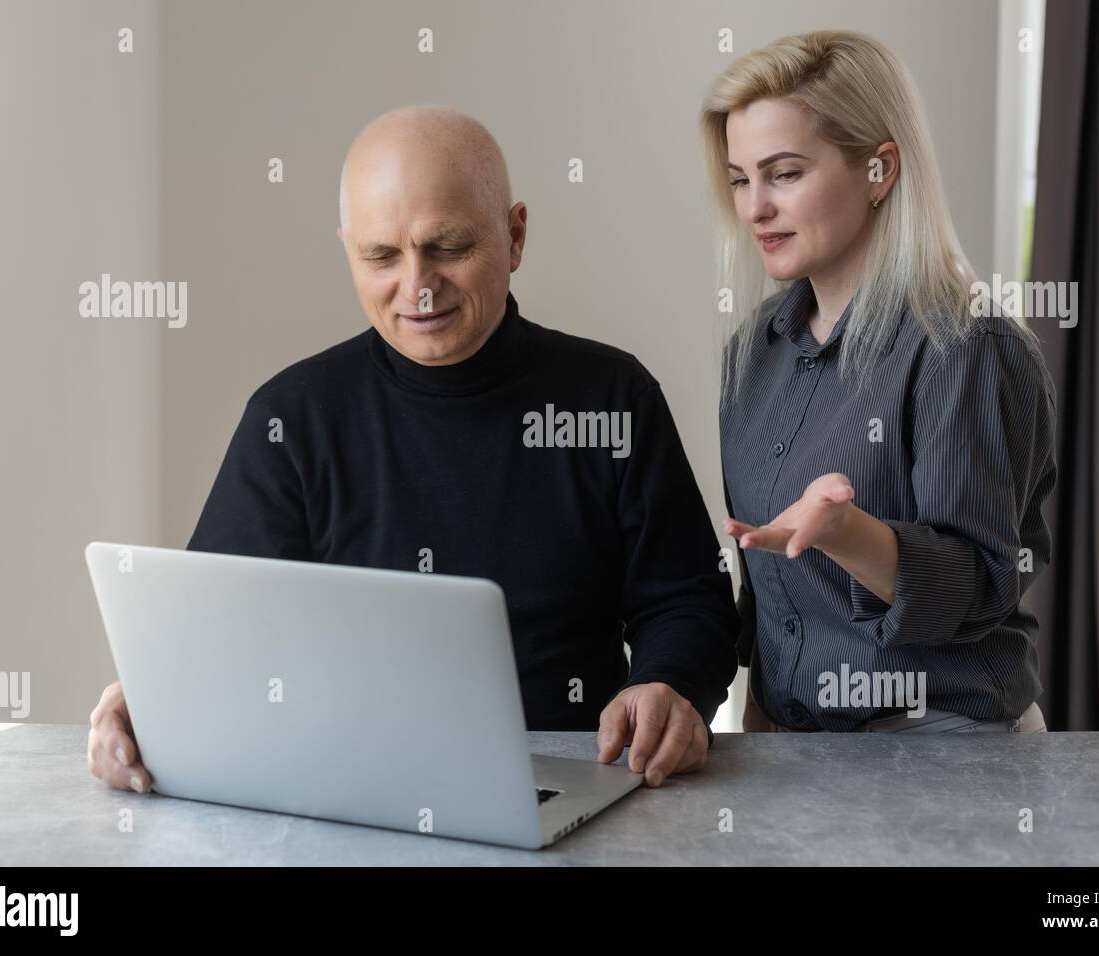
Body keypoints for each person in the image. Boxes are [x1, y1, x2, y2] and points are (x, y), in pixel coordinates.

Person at [88, 106, 739, 793]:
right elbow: (212, 635)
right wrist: (148, 699)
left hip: (578, 781)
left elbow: (688, 603)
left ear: (515, 236)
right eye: (381, 256)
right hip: (345, 791)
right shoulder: (290, 419)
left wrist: (669, 685)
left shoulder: (613, 397)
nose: (417, 285)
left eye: (448, 247)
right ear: (349, 251)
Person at [701, 31, 1056, 733]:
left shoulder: (967, 347)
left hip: (940, 757)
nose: (754, 208)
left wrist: (848, 533)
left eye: (786, 173)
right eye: (742, 178)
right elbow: (768, 591)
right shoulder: (754, 351)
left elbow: (983, 582)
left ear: (880, 171)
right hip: (785, 744)